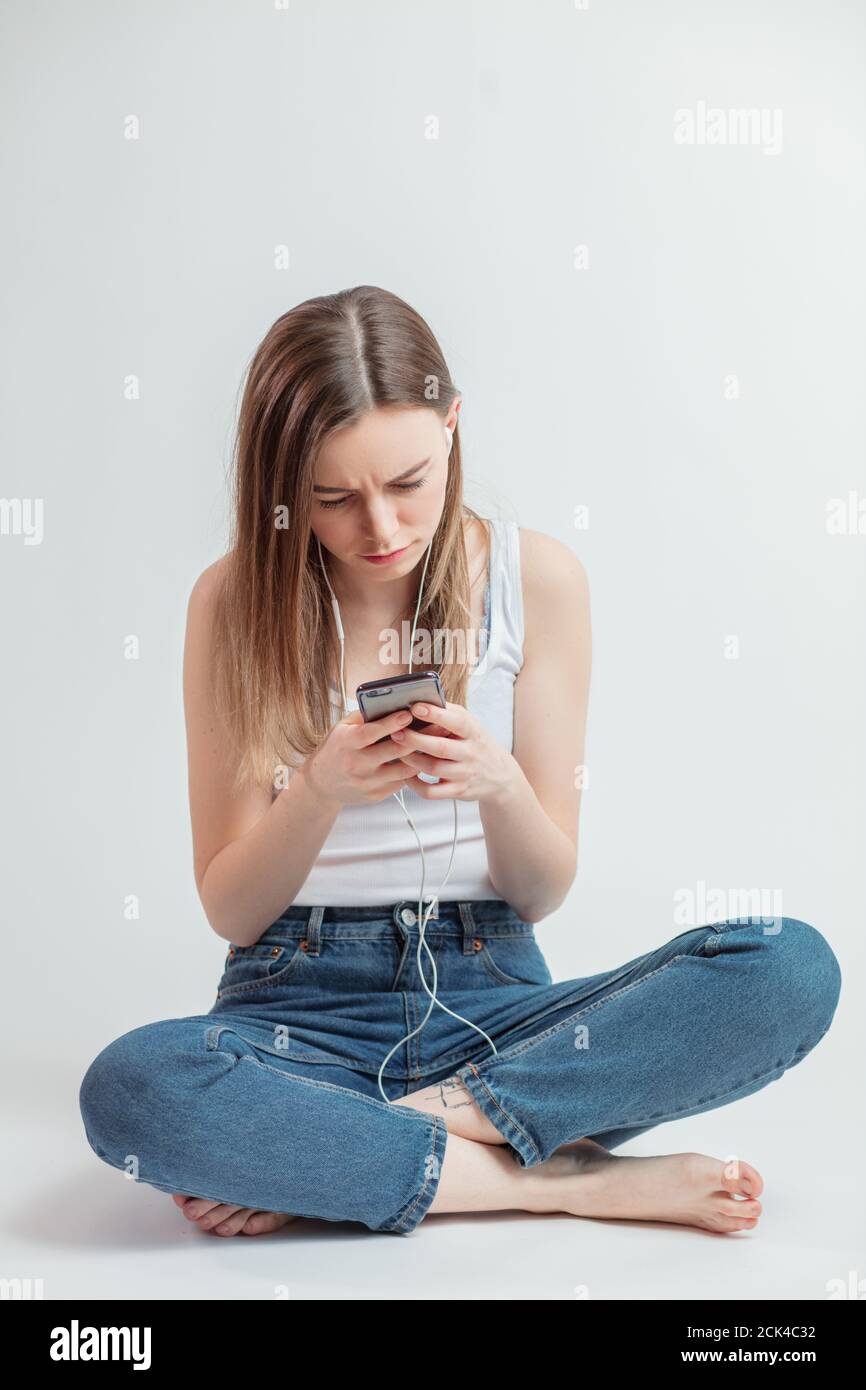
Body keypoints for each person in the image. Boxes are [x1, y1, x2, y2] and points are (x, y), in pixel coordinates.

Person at [78, 285, 842, 1238]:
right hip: (297, 1010)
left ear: (452, 428)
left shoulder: (540, 581)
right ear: (283, 487)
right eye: (332, 498)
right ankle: (563, 1181)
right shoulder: (233, 602)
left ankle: (353, 1149)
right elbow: (231, 908)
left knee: (790, 967)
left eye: (408, 482)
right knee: (132, 1089)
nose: (382, 529)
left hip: (497, 1002)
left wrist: (497, 783)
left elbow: (541, 888)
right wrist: (319, 789)